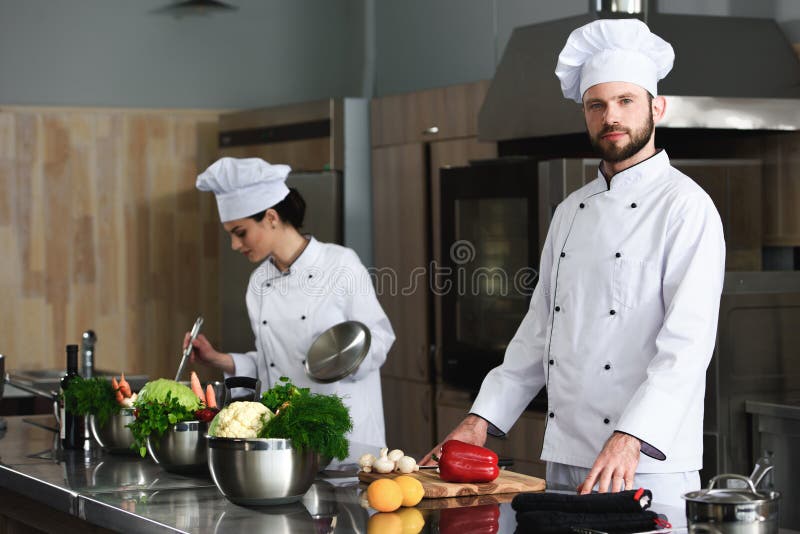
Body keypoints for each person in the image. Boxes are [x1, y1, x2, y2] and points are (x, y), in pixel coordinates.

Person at [423, 18, 725, 507]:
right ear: (585, 114)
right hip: (566, 453)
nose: (612, 116)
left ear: (657, 107)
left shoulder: (686, 206)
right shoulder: (570, 211)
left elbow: (686, 348)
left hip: (645, 458)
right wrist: (478, 423)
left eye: (626, 101)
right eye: (597, 104)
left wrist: (631, 436)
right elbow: (540, 332)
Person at [188, 157, 395, 447]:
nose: (235, 245)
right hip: (287, 437)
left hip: (346, 437)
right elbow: (272, 363)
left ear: (271, 217)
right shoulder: (259, 283)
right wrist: (218, 358)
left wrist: (342, 358)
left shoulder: (340, 265)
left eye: (240, 233)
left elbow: (380, 339)